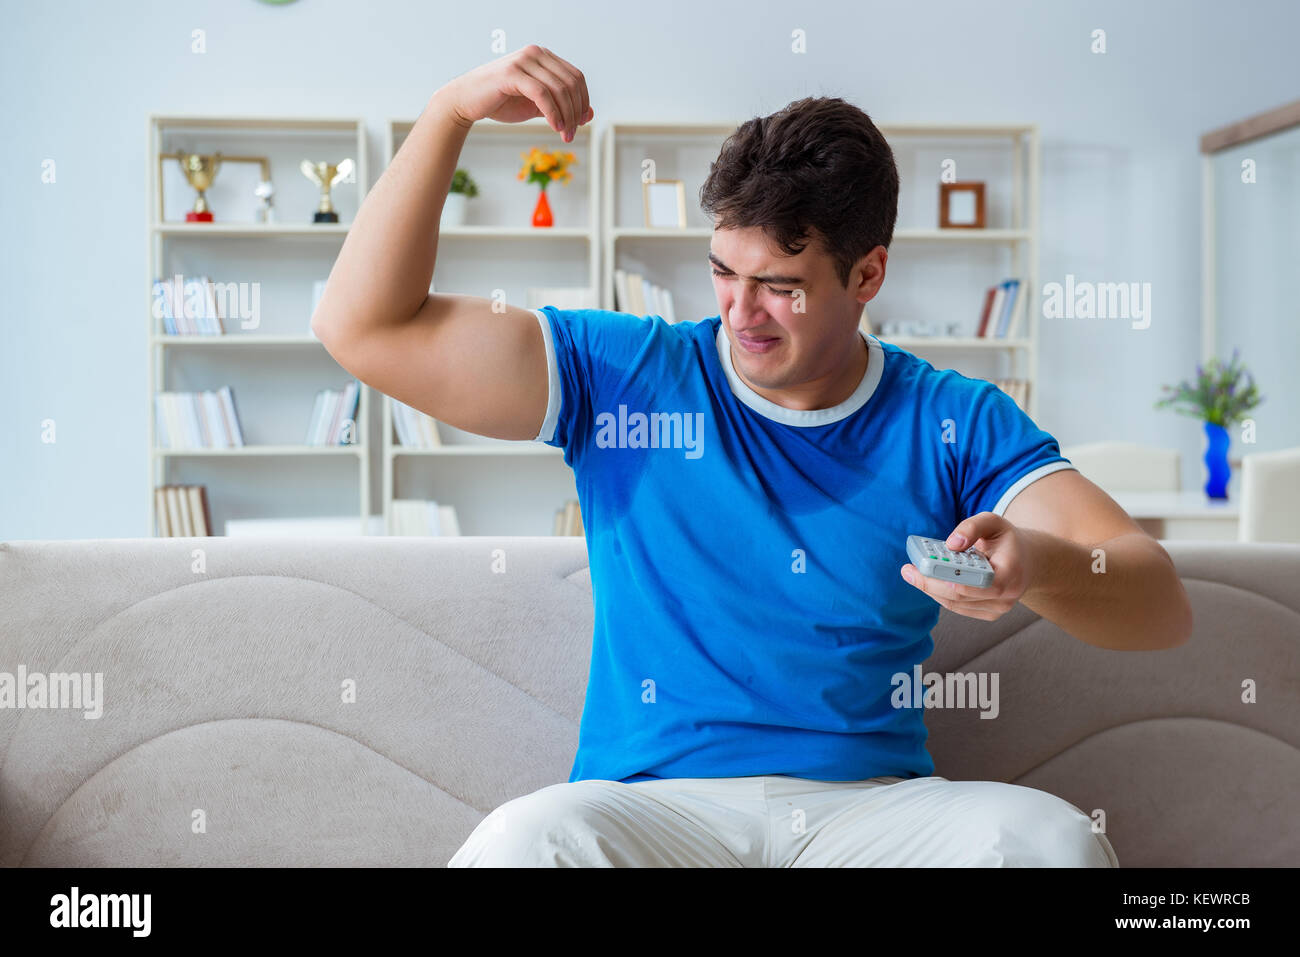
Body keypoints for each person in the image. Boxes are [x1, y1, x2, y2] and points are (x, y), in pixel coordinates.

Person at [311, 44, 1192, 867]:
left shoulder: (950, 417)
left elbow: (1157, 601)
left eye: (780, 285)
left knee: (1044, 838)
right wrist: (447, 114)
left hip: (872, 812)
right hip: (656, 809)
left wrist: (1033, 562)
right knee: (524, 841)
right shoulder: (626, 375)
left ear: (867, 275)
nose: (741, 311)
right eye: (724, 272)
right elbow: (363, 327)